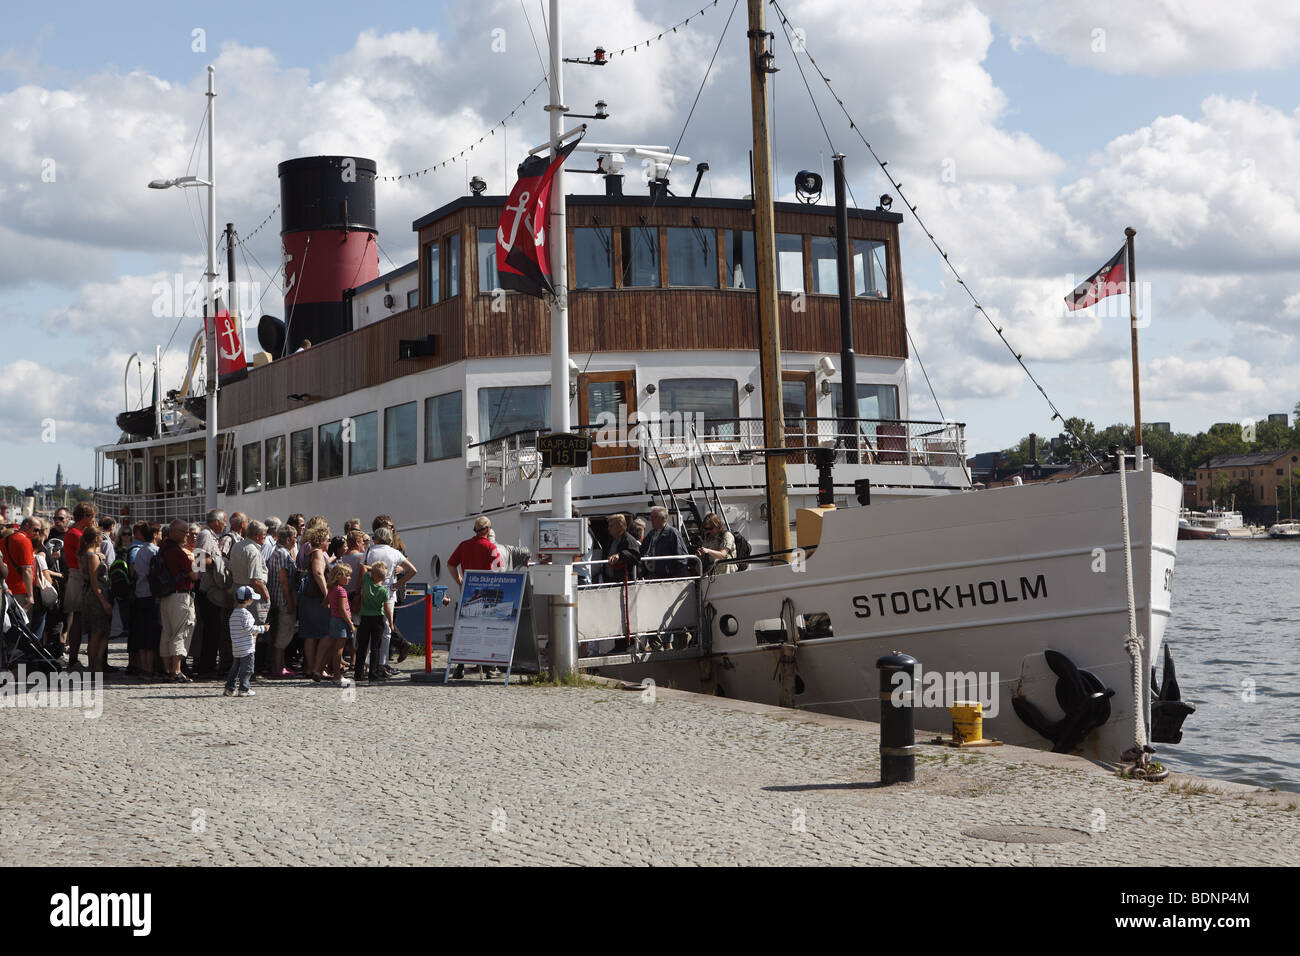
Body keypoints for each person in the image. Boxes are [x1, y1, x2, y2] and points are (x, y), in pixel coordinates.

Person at [363, 525, 416, 676]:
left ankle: (366, 663)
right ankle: (382, 663)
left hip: (370, 591)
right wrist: (398, 584)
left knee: (367, 628)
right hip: (388, 592)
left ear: (378, 538)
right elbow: (413, 570)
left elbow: (363, 570)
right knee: (386, 629)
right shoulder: (395, 553)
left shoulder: (369, 551)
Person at [158, 518, 199, 682]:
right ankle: (176, 670)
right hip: (180, 596)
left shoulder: (163, 548)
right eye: (185, 531)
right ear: (175, 532)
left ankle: (168, 670)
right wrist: (196, 560)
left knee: (167, 632)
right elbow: (194, 575)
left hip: (166, 596)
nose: (188, 534)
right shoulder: (177, 551)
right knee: (181, 632)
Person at [231, 520, 271, 674]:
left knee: (240, 632)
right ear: (256, 535)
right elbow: (256, 579)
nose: (265, 538)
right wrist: (267, 596)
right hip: (251, 595)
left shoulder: (238, 545)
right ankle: (250, 670)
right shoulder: (253, 551)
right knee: (253, 632)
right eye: (263, 535)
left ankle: (241, 668)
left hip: (238, 590)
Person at [62, 501, 97, 670]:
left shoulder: (73, 532)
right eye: (93, 517)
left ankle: (76, 658)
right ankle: (74, 658)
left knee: (77, 618)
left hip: (76, 576)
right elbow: (89, 555)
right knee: (77, 619)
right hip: (78, 577)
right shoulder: (76, 535)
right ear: (86, 517)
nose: (93, 521)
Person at [298, 526, 332, 678]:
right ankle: (318, 668)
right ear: (322, 540)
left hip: (307, 597)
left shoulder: (308, 553)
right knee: (326, 632)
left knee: (310, 634)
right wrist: (327, 594)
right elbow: (318, 573)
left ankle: (310, 667)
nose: (329, 542)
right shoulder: (318, 553)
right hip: (317, 597)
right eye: (328, 539)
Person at [79, 529, 113, 676]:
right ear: (96, 539)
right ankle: (93, 666)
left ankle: (96, 663)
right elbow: (94, 582)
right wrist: (104, 602)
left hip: (94, 594)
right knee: (97, 632)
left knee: (102, 631)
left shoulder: (88, 554)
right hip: (96, 596)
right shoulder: (92, 556)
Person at [266, 526, 299, 677]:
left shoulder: (282, 552)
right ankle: (278, 667)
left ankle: (280, 665)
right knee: (282, 634)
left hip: (280, 598)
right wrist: (290, 601)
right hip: (282, 599)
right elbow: (284, 580)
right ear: (287, 539)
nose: (296, 540)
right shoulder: (281, 553)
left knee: (283, 633)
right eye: (294, 537)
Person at [224, 585, 268, 697]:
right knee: (248, 669)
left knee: (235, 669)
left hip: (236, 647)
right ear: (249, 600)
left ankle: (229, 688)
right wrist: (263, 628)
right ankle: (244, 688)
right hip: (247, 647)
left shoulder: (233, 614)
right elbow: (250, 628)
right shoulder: (246, 614)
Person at [131, 522, 161, 681]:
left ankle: (144, 667)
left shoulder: (140, 550)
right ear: (155, 534)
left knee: (142, 632)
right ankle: (150, 668)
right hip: (151, 595)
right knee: (151, 633)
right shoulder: (155, 551)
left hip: (140, 593)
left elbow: (136, 571)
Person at [354, 560, 393, 682]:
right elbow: (387, 609)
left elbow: (364, 567)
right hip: (377, 619)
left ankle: (358, 673)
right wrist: (391, 623)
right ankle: (373, 673)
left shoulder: (366, 581)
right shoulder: (384, 591)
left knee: (362, 646)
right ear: (384, 576)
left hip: (365, 618)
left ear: (373, 574)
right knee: (375, 648)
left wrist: (373, 569)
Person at [316, 563, 355, 685]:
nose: (349, 578)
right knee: (339, 650)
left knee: (332, 648)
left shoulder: (332, 589)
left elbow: (324, 603)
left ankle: (319, 671)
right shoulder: (341, 591)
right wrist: (351, 625)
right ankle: (337, 676)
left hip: (333, 620)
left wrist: (333, 607)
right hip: (341, 622)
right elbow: (343, 610)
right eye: (347, 576)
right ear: (339, 576)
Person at [641, 506, 690, 579]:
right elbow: (642, 550)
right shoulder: (651, 534)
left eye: (654, 517)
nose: (651, 520)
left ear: (663, 519)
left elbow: (682, 557)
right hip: (652, 577)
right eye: (651, 517)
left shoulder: (672, 533)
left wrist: (677, 578)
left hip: (667, 578)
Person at [602, 513, 640, 583]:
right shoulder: (611, 540)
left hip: (623, 583)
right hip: (610, 581)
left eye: (611, 526)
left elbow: (635, 556)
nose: (608, 528)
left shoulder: (629, 540)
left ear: (620, 526)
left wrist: (620, 555)